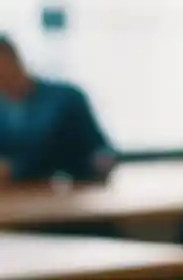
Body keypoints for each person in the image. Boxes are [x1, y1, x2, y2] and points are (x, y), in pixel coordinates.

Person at [0, 32, 117, 185]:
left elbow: (100, 150)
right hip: (14, 197)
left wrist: (101, 162)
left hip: (71, 193)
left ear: (14, 59)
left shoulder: (65, 99)